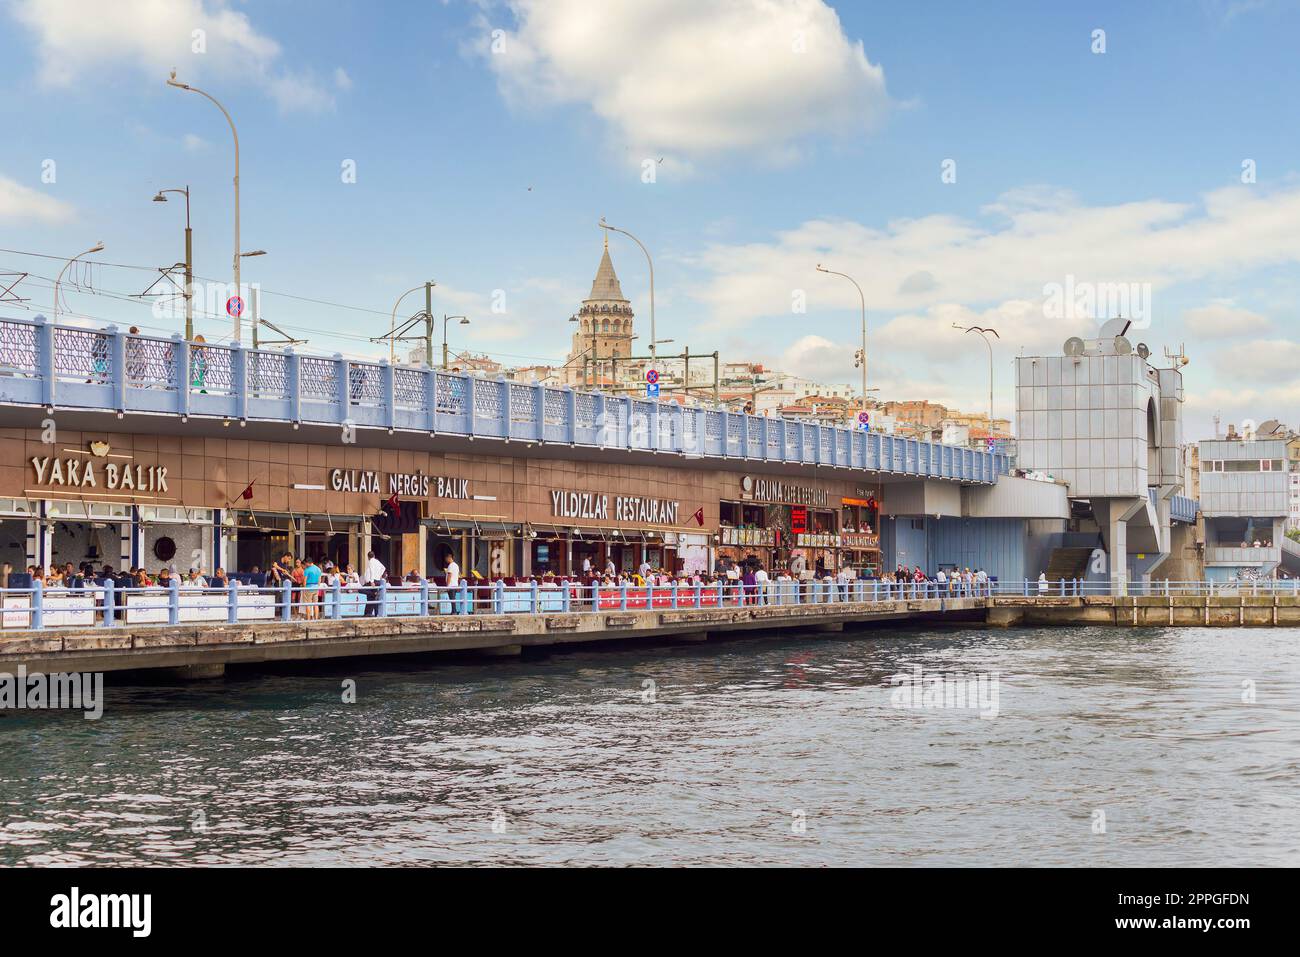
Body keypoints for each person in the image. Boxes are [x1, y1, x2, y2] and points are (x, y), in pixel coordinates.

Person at [362, 550, 386, 617]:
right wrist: (380, 575)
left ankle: (369, 613)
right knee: (372, 598)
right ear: (374, 556)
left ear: (368, 557)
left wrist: (372, 581)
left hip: (373, 581)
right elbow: (383, 568)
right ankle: (370, 613)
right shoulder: (377, 561)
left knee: (361, 590)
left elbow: (372, 571)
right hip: (378, 580)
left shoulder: (371, 562)